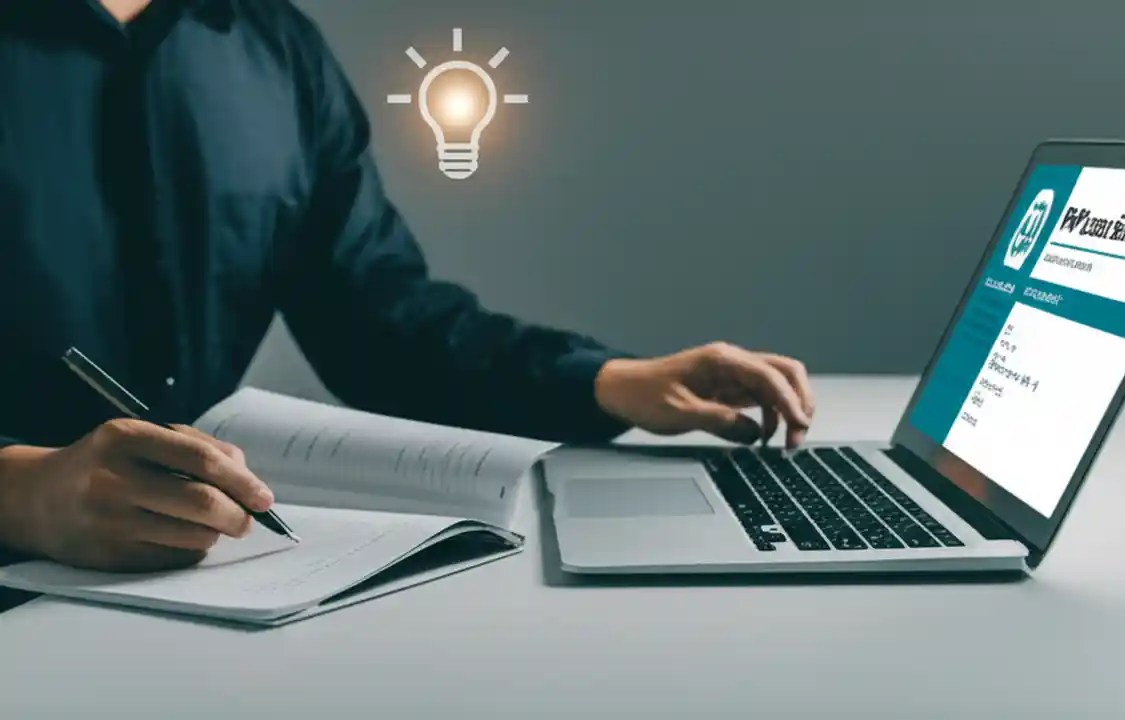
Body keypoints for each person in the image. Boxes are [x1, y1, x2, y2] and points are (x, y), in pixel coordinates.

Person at [0, 0, 814, 572]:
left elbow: (380, 317)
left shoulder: (274, 48)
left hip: (214, 589)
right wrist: (22, 495)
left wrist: (608, 382)